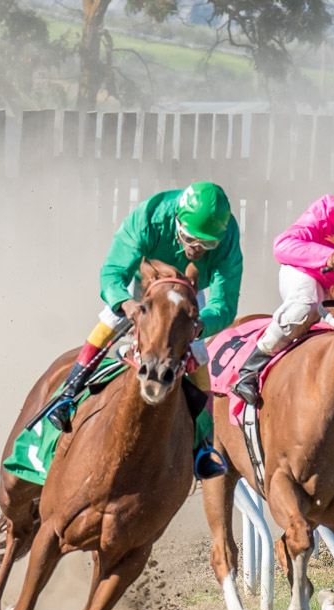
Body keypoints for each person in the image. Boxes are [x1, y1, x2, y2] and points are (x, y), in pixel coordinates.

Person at [45, 181, 243, 479]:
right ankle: (67, 396)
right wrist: (125, 304)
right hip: (144, 281)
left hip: (185, 292)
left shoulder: (227, 238)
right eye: (190, 239)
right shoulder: (149, 217)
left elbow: (225, 305)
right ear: (177, 220)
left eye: (207, 245)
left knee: (199, 352)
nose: (197, 250)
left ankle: (203, 444)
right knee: (110, 320)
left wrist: (198, 325)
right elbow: (113, 272)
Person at [232, 173, 334, 408]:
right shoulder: (323, 211)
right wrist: (329, 257)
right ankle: (250, 370)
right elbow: (281, 245)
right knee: (305, 305)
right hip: (307, 275)